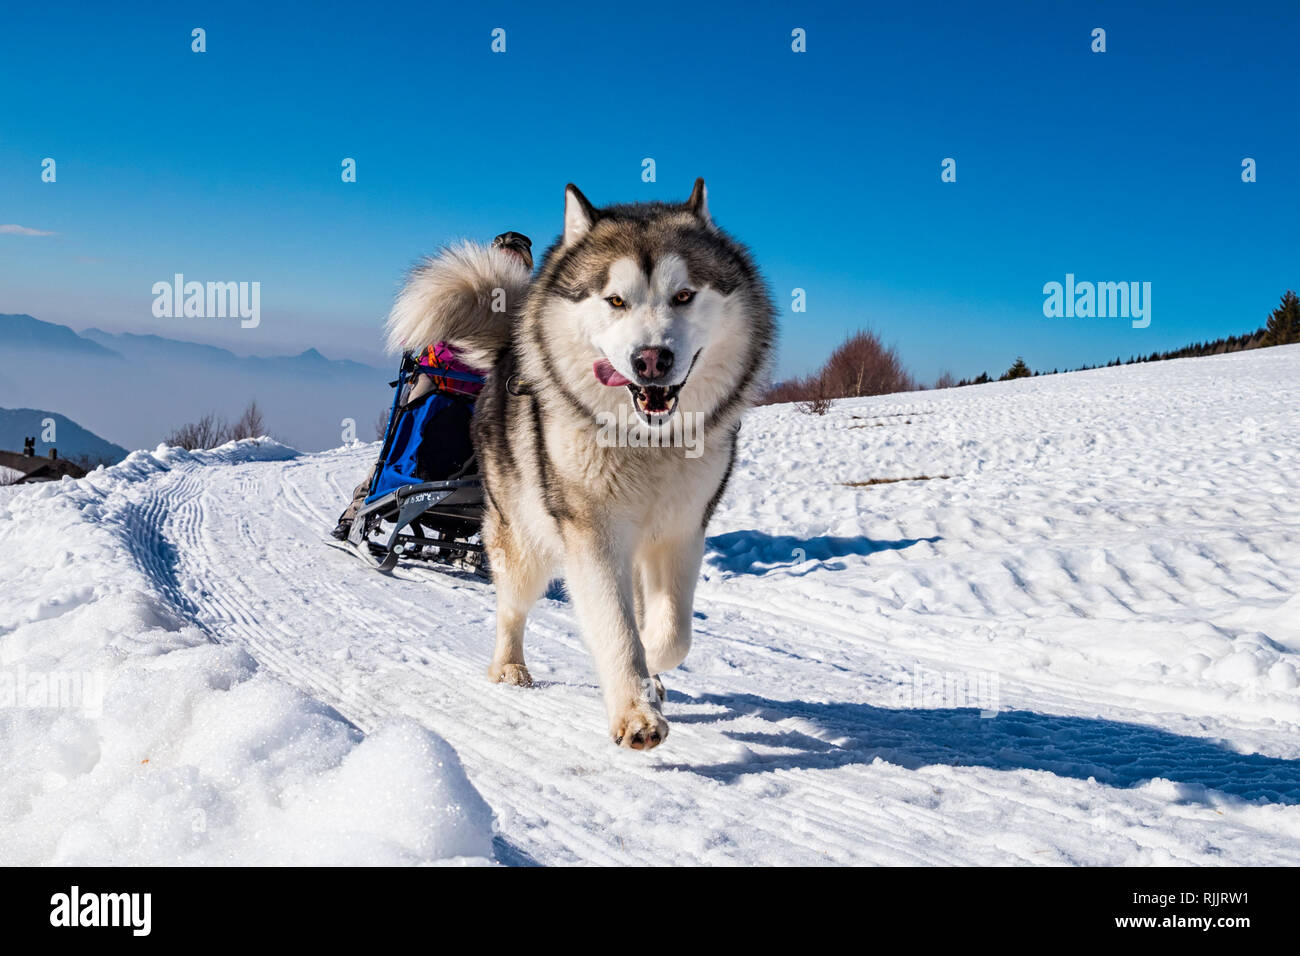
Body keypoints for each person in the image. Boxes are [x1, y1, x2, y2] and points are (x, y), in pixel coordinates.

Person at [331, 231, 533, 540]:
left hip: (484, 391)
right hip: (438, 375)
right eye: (506, 257)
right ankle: (359, 508)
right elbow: (422, 318)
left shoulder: (526, 303)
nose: (510, 264)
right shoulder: (469, 284)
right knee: (402, 437)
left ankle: (459, 521)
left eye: (517, 261)